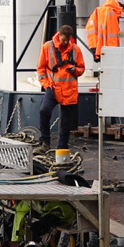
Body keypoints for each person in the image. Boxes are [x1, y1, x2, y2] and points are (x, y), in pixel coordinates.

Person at [35, 22, 86, 151]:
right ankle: (45, 142)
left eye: (68, 40)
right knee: (44, 111)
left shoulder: (75, 49)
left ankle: (62, 147)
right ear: (59, 35)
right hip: (53, 88)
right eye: (64, 40)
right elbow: (41, 69)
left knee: (66, 121)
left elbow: (81, 68)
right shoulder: (47, 47)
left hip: (69, 90)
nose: (65, 43)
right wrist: (47, 85)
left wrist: (75, 70)